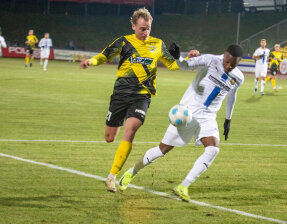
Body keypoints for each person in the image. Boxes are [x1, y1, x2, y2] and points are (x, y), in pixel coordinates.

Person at [79, 8, 198, 193]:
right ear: (133, 26)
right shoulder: (124, 42)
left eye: (148, 28)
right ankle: (116, 137)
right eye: (142, 28)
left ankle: (112, 177)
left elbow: (174, 66)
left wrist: (185, 57)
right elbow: (104, 56)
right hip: (120, 94)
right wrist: (90, 62)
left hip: (142, 96)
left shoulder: (157, 44)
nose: (145, 32)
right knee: (110, 138)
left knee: (131, 130)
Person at [118, 43, 244, 202]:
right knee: (162, 149)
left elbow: (232, 96)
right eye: (227, 62)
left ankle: (183, 186)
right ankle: (131, 172)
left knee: (213, 149)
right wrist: (178, 56)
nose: (228, 66)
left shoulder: (238, 77)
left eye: (233, 65)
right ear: (224, 55)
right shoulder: (210, 60)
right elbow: (185, 65)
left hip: (208, 117)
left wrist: (228, 119)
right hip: (187, 113)